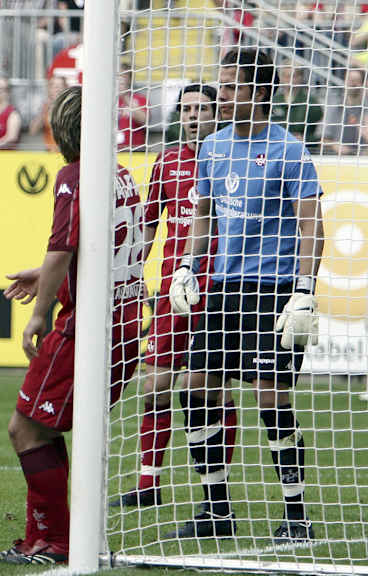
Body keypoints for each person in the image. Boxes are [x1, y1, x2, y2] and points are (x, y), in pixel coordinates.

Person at [164, 48, 323, 542]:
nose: (220, 95)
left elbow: (311, 225)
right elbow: (204, 213)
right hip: (225, 289)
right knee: (195, 388)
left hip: (274, 292)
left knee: (270, 397)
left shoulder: (291, 150)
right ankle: (216, 510)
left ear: (257, 93)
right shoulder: (211, 147)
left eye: (229, 87)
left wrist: (304, 291)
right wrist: (188, 266)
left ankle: (297, 517)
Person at [0, 85, 144, 565]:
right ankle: (45, 538)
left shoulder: (75, 176)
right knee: (42, 429)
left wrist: (39, 313)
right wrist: (50, 274)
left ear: (61, 131)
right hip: (125, 317)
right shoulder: (119, 174)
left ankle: (55, 542)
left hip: (88, 326)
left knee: (26, 429)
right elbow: (95, 247)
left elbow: (61, 248)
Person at [108, 84, 239, 509]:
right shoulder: (167, 162)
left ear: (218, 114)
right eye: (187, 109)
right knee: (156, 384)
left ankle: (214, 494)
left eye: (202, 109)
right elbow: (148, 225)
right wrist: (126, 270)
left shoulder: (231, 160)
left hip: (218, 289)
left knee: (215, 391)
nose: (194, 116)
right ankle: (148, 484)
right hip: (171, 291)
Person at [270, 63, 323, 147]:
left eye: (293, 76)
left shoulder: (311, 103)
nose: (289, 80)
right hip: (276, 146)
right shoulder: (273, 101)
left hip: (303, 148)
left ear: (300, 78)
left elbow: (319, 134)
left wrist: (304, 138)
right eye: (286, 76)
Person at [320, 66, 368, 156]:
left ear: (363, 83)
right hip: (338, 160)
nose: (353, 84)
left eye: (356, 80)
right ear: (344, 81)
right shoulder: (334, 107)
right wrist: (334, 145)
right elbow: (323, 139)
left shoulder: (366, 110)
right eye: (350, 80)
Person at [117, 65, 148, 150]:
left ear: (129, 79)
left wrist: (125, 96)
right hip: (113, 150)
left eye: (123, 76)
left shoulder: (140, 99)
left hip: (135, 150)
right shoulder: (108, 101)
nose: (120, 80)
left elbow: (144, 120)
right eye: (117, 76)